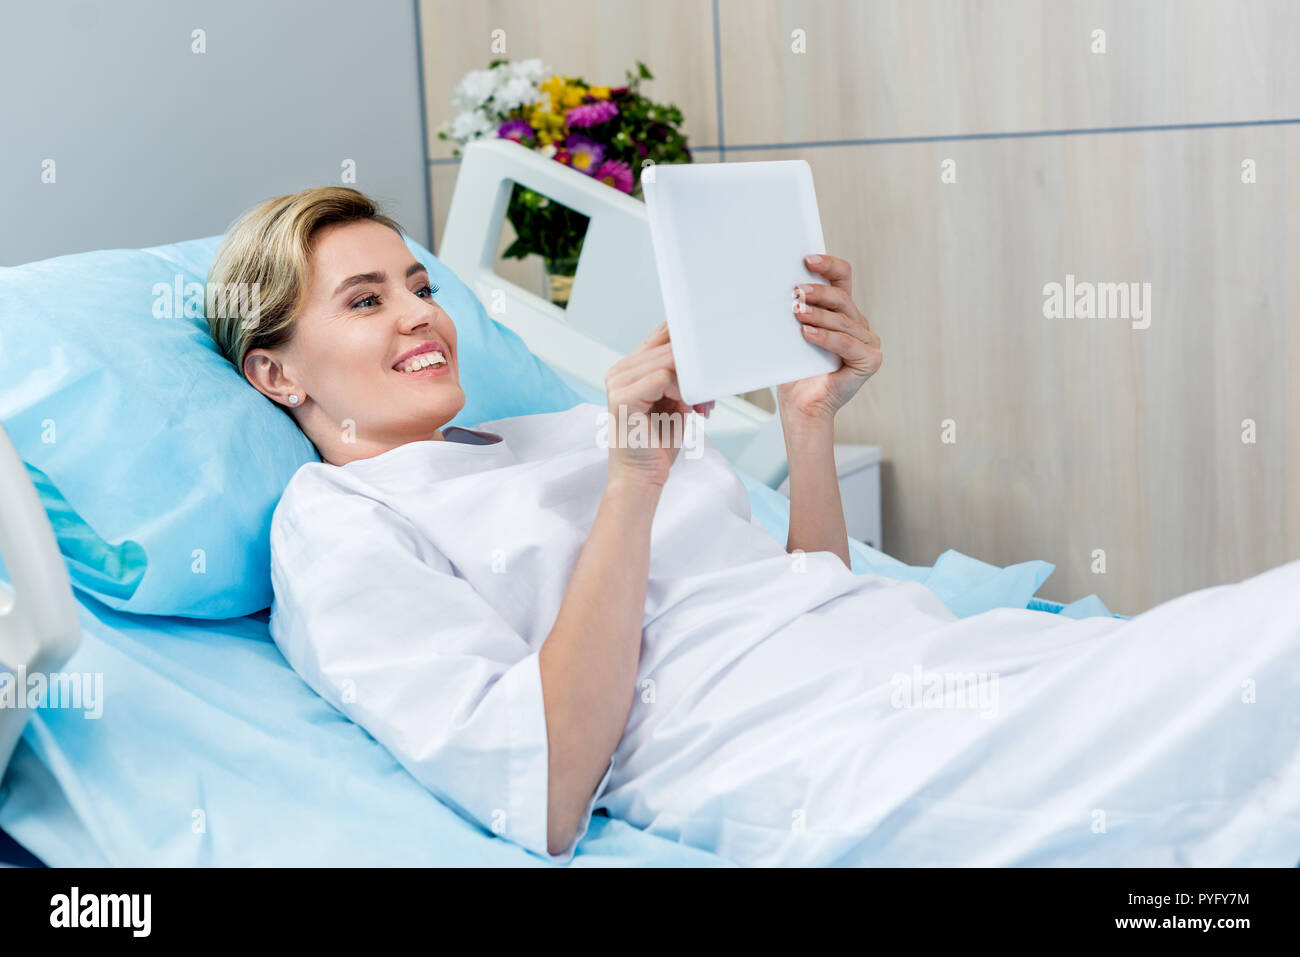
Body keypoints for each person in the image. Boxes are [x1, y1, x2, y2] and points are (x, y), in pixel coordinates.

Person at [206, 186, 1300, 866]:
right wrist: (633, 481)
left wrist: (806, 426)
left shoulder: (549, 430)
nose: (419, 315)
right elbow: (543, 791)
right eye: (365, 300)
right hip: (801, 752)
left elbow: (798, 592)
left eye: (418, 283)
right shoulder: (340, 524)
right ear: (272, 370)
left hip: (913, 656)